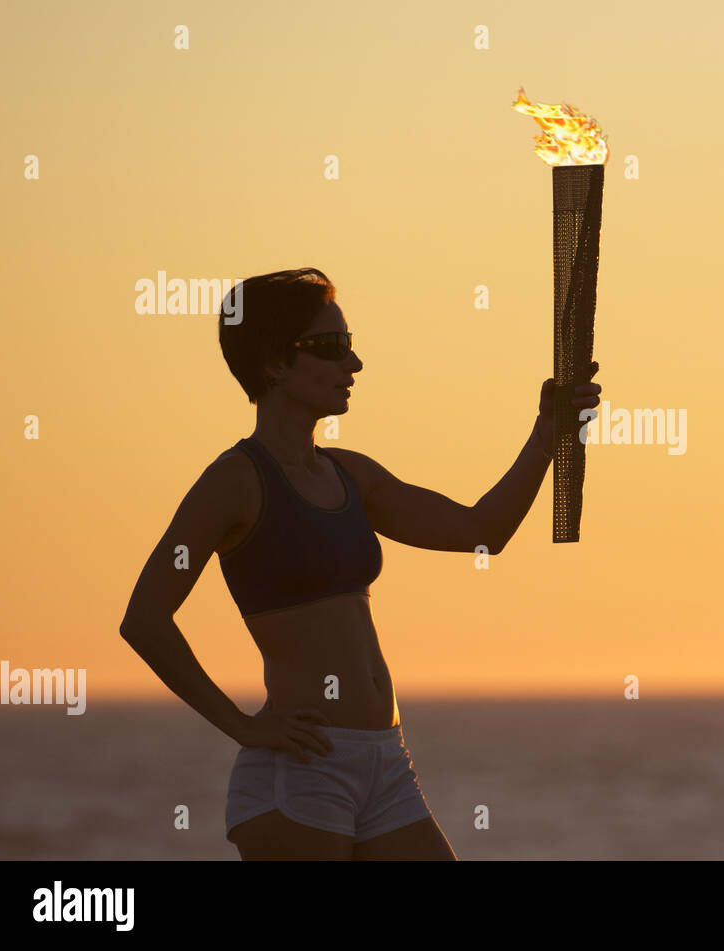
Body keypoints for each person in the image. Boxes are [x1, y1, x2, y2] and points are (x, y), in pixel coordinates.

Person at [118, 267, 601, 860]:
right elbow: (144, 619)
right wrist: (244, 726)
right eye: (332, 347)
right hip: (300, 770)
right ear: (274, 364)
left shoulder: (351, 474)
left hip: (386, 760)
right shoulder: (233, 483)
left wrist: (547, 431)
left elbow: (482, 532)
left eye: (350, 346)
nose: (354, 364)